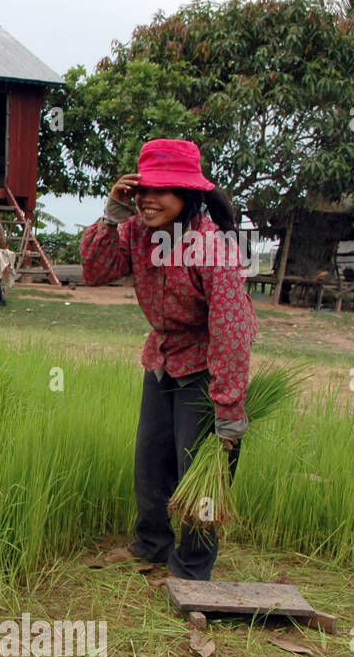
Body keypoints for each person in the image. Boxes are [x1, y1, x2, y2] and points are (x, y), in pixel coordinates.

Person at [81, 138, 257, 580]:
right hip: (160, 359)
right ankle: (152, 545)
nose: (147, 199)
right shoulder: (137, 232)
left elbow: (232, 331)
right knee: (151, 460)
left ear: (189, 195)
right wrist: (111, 215)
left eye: (161, 190)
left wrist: (229, 408)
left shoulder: (213, 245)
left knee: (197, 466)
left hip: (204, 365)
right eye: (143, 189)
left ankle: (192, 567)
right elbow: (96, 272)